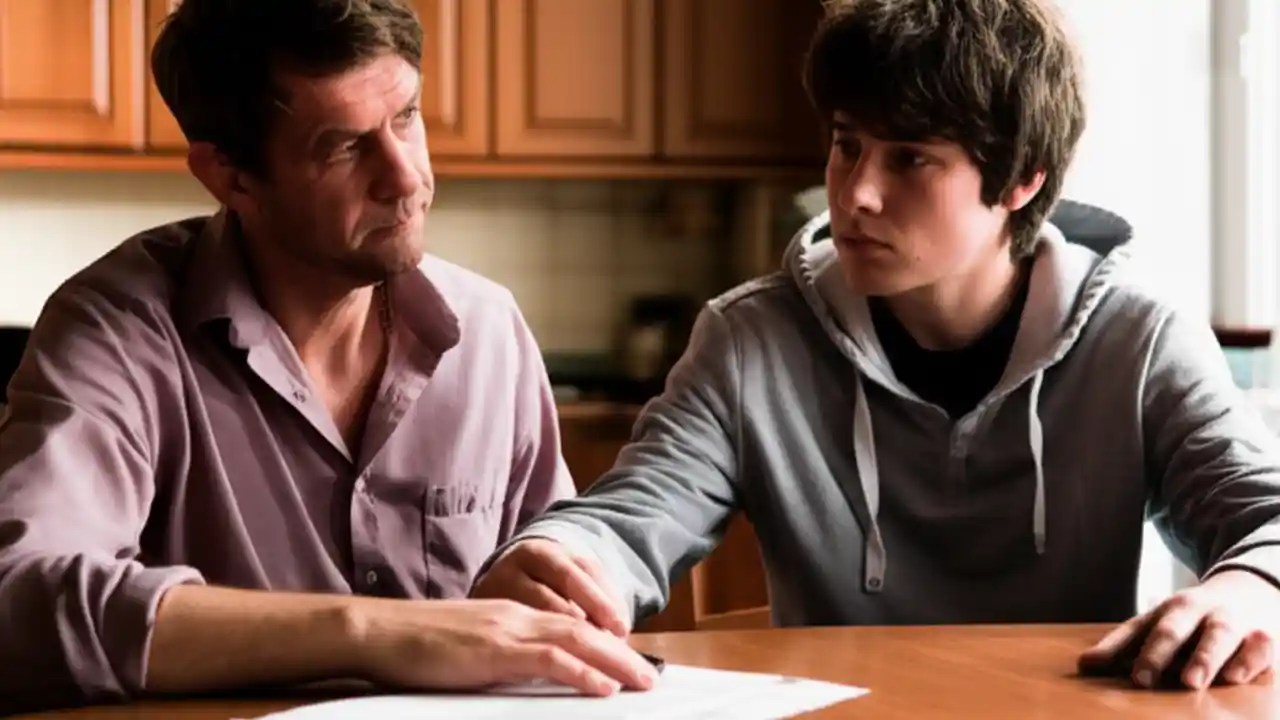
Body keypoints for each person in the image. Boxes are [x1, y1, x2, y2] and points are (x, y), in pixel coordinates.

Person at [473, 0, 1280, 692]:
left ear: (1021, 180)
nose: (855, 192)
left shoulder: (1140, 337)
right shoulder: (749, 339)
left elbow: (1267, 518)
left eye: (911, 159)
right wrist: (563, 555)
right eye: (847, 143)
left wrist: (1251, 584)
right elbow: (637, 513)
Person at [0, 0, 656, 712]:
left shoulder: (489, 331)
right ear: (230, 177)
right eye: (344, 147)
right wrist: (373, 631)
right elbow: (20, 598)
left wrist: (564, 587)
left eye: (406, 117)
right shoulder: (117, 329)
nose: (404, 177)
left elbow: (558, 604)